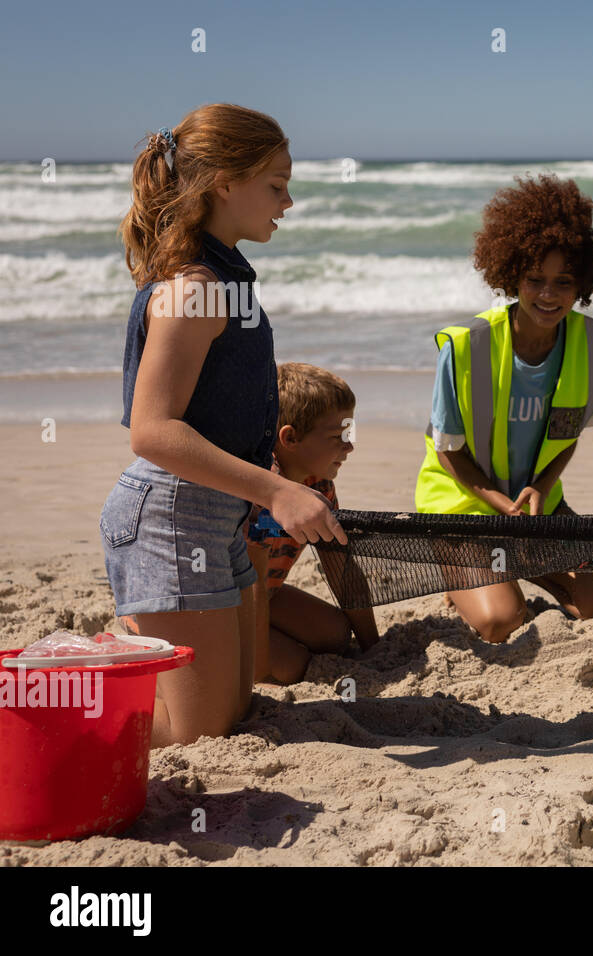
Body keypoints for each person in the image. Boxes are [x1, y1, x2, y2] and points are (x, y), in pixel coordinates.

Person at [102, 104, 345, 747]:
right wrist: (277, 491)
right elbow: (152, 431)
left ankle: (123, 657)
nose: (289, 201)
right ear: (224, 183)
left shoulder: (227, 274)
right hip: (170, 516)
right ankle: (62, 699)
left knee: (233, 711)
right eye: (276, 184)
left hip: (215, 518)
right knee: (194, 733)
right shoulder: (196, 286)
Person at [414, 175, 593, 643]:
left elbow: (567, 433)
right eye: (535, 280)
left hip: (538, 508)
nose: (548, 295)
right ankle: (465, 570)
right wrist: (500, 507)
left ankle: (525, 566)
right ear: (511, 274)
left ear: (584, 283)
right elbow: (448, 449)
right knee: (500, 621)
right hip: (465, 507)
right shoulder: (465, 347)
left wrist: (541, 488)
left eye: (563, 281)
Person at [246, 363, 380, 684]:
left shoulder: (318, 485)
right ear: (290, 438)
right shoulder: (258, 488)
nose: (349, 447)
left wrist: (373, 647)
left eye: (350, 434)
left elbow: (341, 568)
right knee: (292, 666)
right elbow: (247, 586)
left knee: (335, 635)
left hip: (268, 593)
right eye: (338, 437)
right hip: (223, 605)